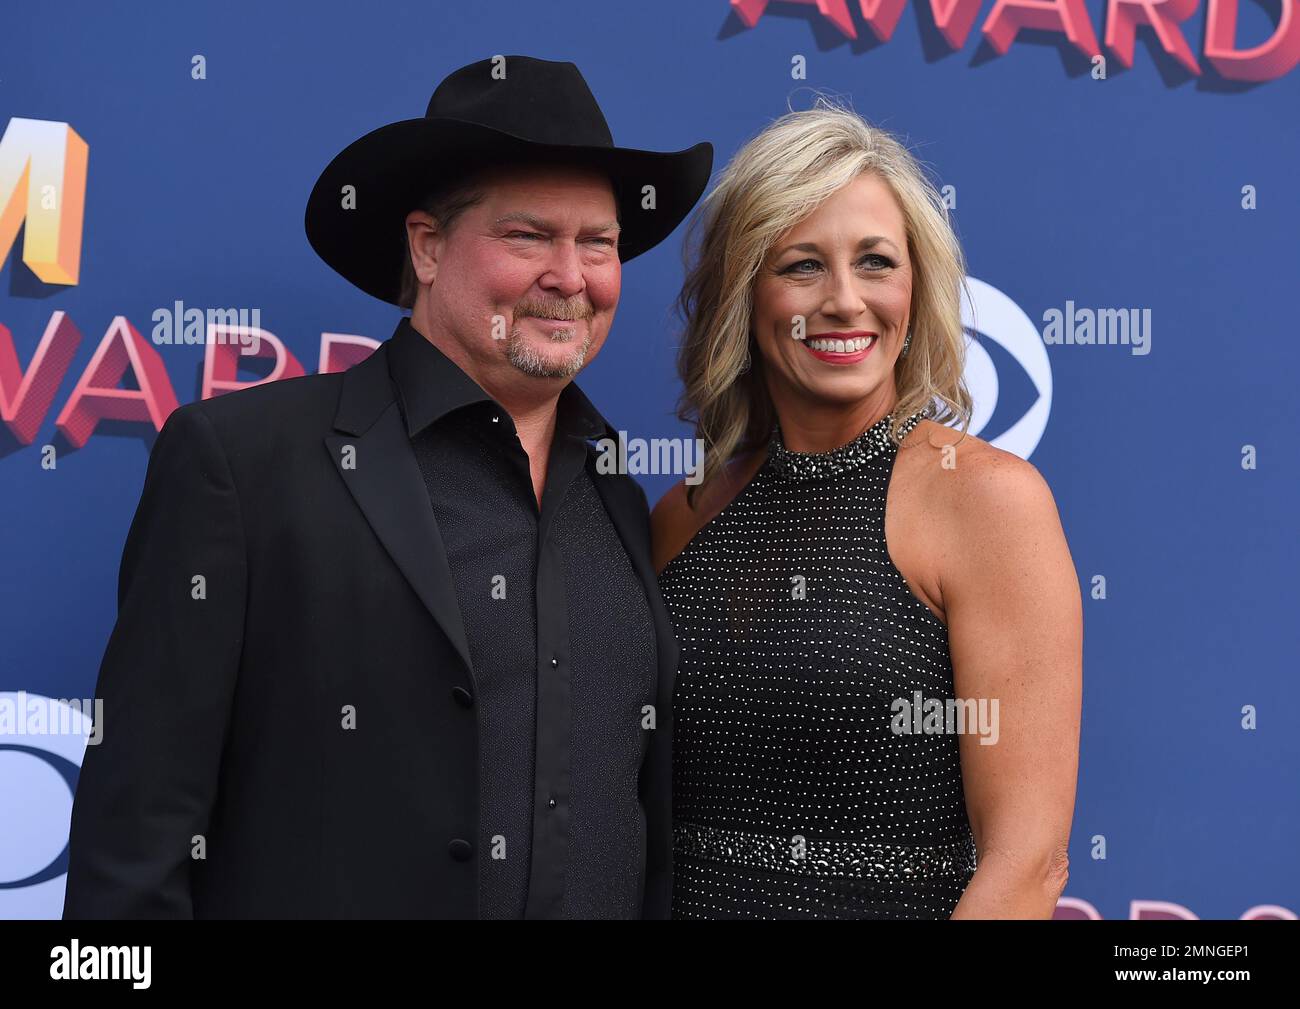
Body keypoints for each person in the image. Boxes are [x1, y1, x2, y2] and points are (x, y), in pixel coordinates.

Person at [63, 55, 712, 919]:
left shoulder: (621, 495)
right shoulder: (242, 464)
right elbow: (133, 846)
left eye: (599, 242)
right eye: (528, 236)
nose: (572, 275)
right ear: (428, 246)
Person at [651, 98, 1081, 919]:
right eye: (803, 264)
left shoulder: (987, 502)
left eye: (876, 261)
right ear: (744, 291)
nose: (845, 300)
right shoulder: (684, 515)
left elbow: (1027, 864)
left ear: (917, 287)